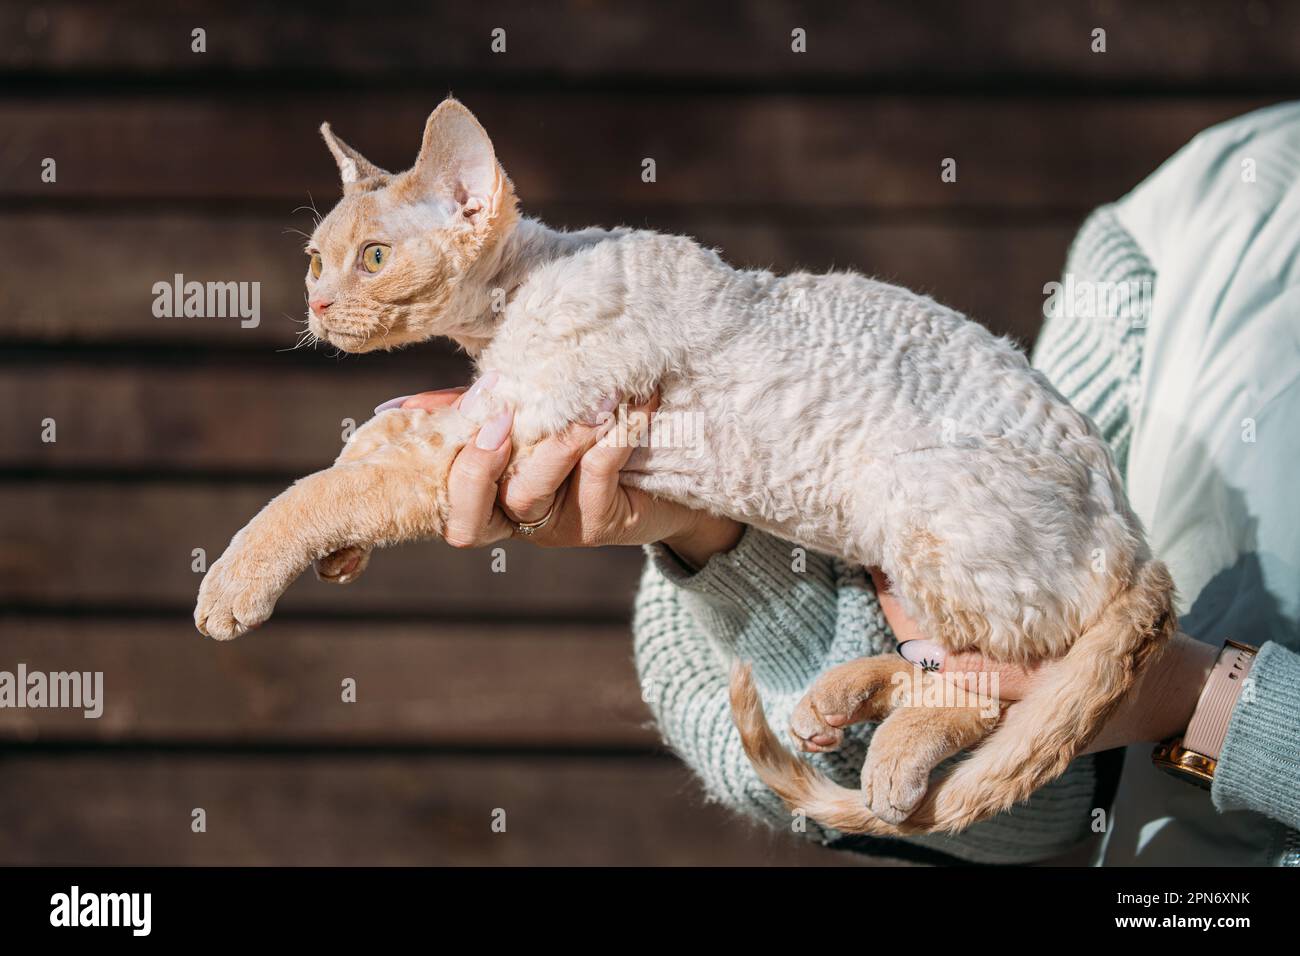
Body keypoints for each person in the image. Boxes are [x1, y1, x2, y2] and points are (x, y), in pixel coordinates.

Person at [384, 103, 1300, 866]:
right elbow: (1048, 797)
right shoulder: (1214, 199)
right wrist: (722, 544)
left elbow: (1089, 680)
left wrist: (1206, 702)